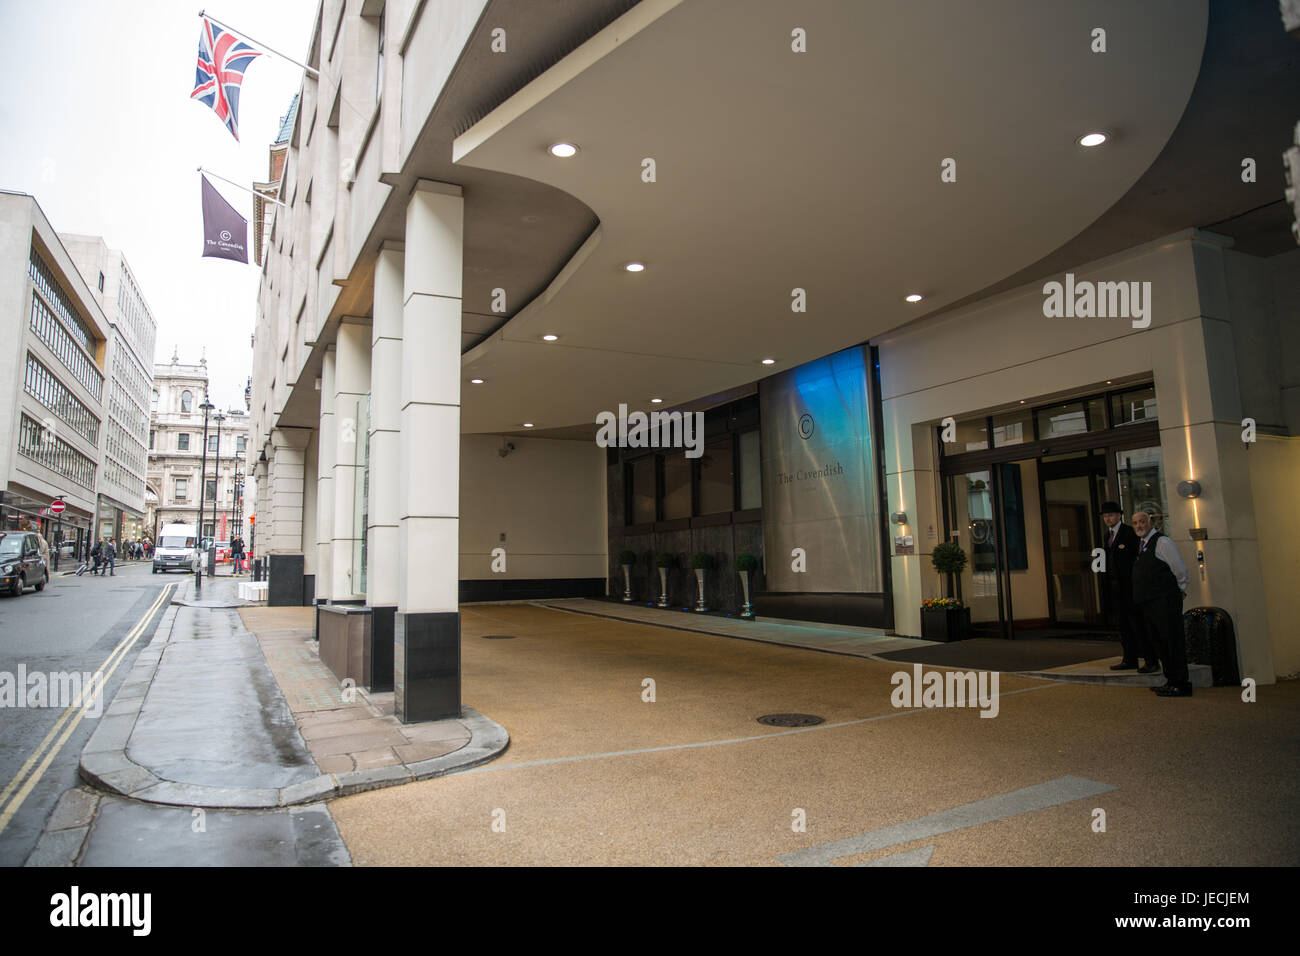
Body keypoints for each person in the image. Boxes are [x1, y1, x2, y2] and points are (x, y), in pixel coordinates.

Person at [1131, 510, 1192, 697]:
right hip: (1150, 603)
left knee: (1172, 640)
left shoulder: (1162, 542)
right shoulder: (1142, 544)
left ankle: (1180, 683)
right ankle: (1170, 680)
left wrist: (1179, 590)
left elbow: (1179, 569)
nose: (1139, 526)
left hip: (1165, 601)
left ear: (1150, 523)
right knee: (1161, 642)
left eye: (1142, 522)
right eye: (1135, 523)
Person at [1100, 501, 1158, 673]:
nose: (1108, 519)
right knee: (1122, 625)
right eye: (1105, 516)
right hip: (1116, 586)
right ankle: (1129, 658)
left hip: (1130, 586)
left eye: (1110, 515)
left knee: (1138, 624)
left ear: (1119, 515)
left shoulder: (1128, 532)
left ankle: (1150, 659)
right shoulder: (1107, 535)